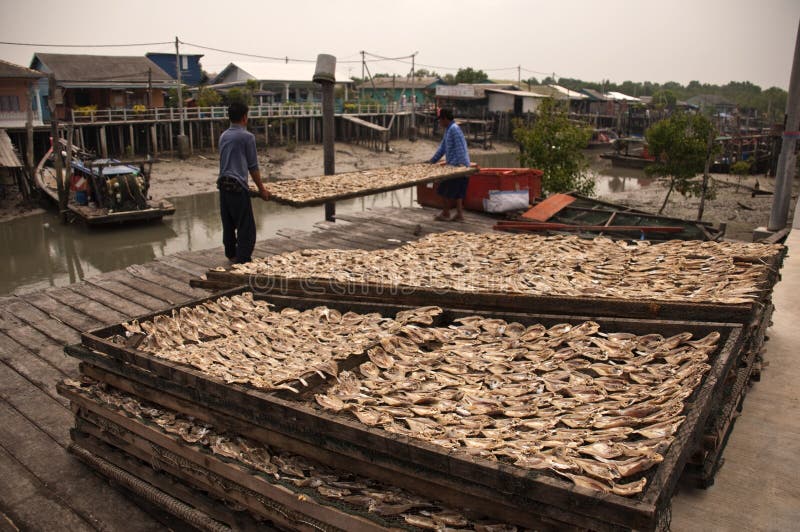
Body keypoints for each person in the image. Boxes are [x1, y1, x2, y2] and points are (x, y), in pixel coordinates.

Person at [217, 102, 270, 263]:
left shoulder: (223, 136)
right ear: (244, 117)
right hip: (237, 185)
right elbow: (252, 166)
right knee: (246, 227)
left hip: (223, 184)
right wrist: (262, 189)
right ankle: (243, 260)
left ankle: (231, 254)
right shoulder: (247, 137)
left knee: (228, 223)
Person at [429, 108, 470, 221]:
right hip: (457, 165)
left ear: (445, 119)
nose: (439, 122)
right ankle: (459, 214)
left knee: (443, 189)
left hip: (457, 165)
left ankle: (446, 213)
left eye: (440, 120)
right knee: (458, 192)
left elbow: (460, 148)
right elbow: (442, 148)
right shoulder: (449, 130)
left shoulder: (454, 129)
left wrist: (461, 166)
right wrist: (432, 161)